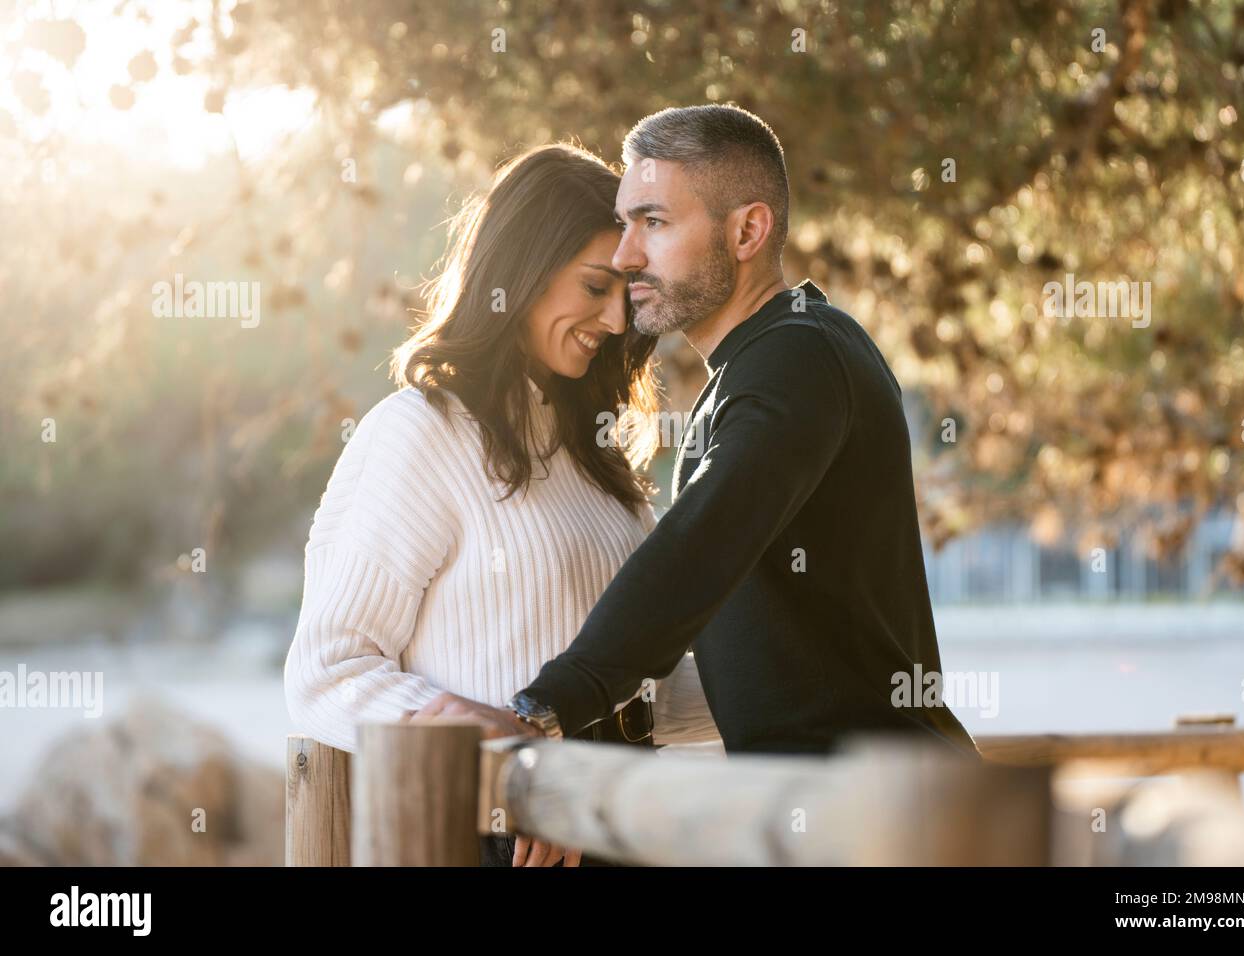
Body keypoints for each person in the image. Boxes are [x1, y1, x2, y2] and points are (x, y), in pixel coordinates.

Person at [283, 143, 720, 868]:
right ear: (520, 274)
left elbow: (645, 685)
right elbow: (326, 672)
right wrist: (502, 757)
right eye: (593, 287)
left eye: (625, 292)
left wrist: (808, 680)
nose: (616, 321)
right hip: (496, 841)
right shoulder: (420, 432)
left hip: (623, 822)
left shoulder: (598, 458)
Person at [508, 105, 979, 760]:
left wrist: (546, 708)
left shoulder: (802, 356)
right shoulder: (774, 361)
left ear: (748, 231)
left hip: (889, 818)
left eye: (654, 221)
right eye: (624, 224)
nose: (625, 255)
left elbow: (699, 546)